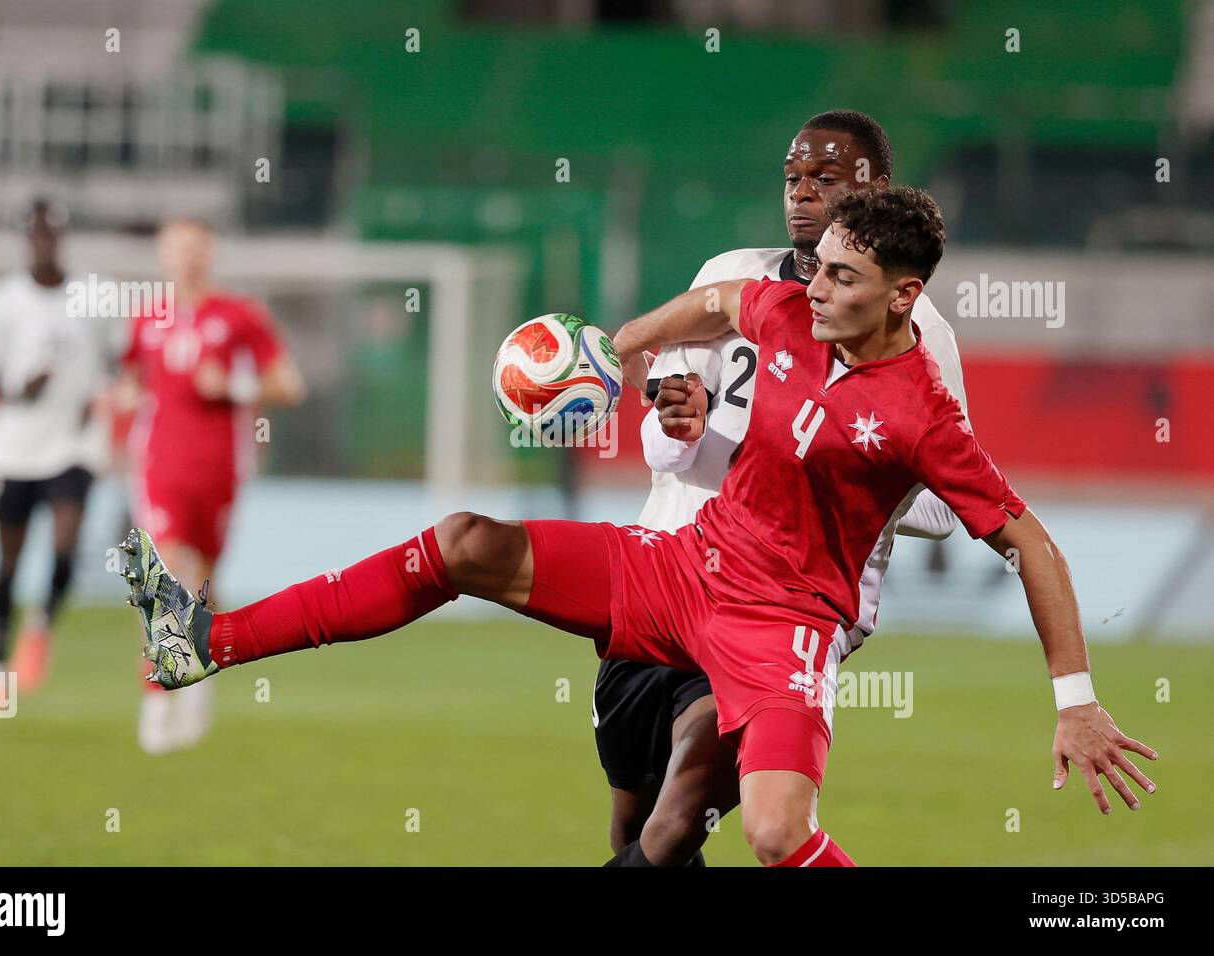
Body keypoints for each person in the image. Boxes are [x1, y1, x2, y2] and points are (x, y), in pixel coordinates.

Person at [120, 186, 1156, 865]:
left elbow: (1029, 540)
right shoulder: (789, 307)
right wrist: (622, 347)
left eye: (842, 275)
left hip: (781, 626)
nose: (816, 283)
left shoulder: (920, 411)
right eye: (819, 263)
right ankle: (199, 640)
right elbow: (719, 304)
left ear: (905, 295)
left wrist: (1076, 698)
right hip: (682, 569)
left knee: (771, 830)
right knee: (465, 541)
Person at [597, 109, 965, 866]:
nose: (801, 195)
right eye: (793, 178)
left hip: (779, 602)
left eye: (825, 180)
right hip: (663, 573)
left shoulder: (919, 328)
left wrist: (813, 470)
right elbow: (659, 443)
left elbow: (939, 503)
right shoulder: (729, 276)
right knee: (635, 832)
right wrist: (680, 422)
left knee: (671, 830)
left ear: (876, 191)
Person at [118, 218, 305, 753]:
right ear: (163, 255)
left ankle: (200, 679)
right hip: (160, 464)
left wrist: (235, 385)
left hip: (220, 468)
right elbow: (131, 379)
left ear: (211, 253)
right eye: (176, 248)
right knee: (167, 566)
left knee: (203, 582)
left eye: (195, 247)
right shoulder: (146, 317)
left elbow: (289, 385)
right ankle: (157, 695)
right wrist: (121, 397)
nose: (186, 258)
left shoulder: (240, 315)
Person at [0, 199, 120, 712]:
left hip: (75, 444)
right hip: (14, 450)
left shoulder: (94, 296)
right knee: (8, 560)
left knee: (66, 544)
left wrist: (103, 397)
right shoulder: (1, 302)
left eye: (52, 232)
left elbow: (122, 359)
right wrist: (14, 385)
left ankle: (42, 624)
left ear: (63, 236)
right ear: (26, 237)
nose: (44, 241)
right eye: (36, 233)